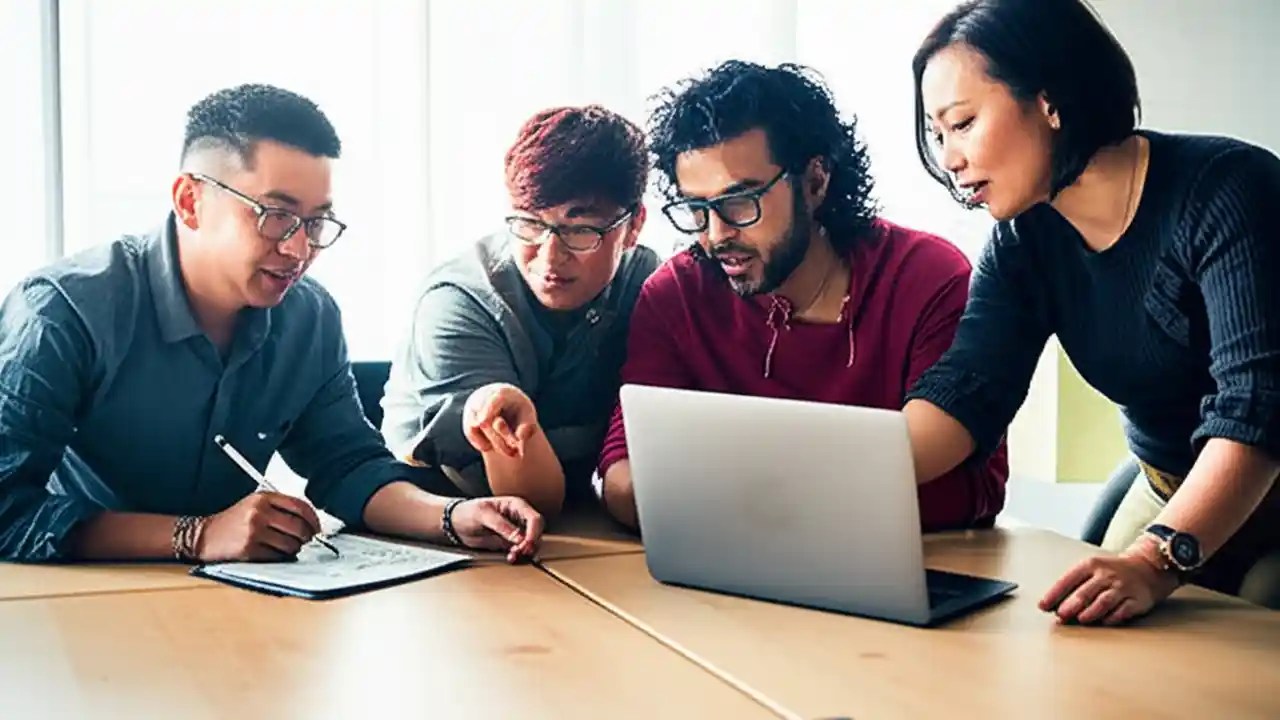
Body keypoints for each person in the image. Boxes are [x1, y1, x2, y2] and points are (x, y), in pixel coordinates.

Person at [0, 84, 543, 564]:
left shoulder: (310, 316)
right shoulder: (63, 310)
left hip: (236, 599)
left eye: (316, 221)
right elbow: (7, 505)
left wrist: (454, 518)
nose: (299, 248)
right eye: (275, 215)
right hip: (79, 597)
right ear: (190, 201)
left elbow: (348, 466)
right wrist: (196, 536)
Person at [909, 0, 1280, 622]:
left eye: (963, 122)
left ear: (1049, 101)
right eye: (937, 133)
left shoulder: (1229, 187)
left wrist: (1155, 560)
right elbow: (968, 391)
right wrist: (843, 477)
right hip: (1168, 483)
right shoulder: (1025, 238)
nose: (949, 158)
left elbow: (1259, 402)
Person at [597, 60, 1009, 531]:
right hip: (726, 569)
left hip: (929, 566)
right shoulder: (676, 295)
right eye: (697, 208)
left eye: (740, 202)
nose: (716, 234)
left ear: (815, 182)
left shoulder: (925, 279)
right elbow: (624, 476)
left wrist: (727, 491)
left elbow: (967, 485)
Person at [381, 105, 658, 518]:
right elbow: (527, 502)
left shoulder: (647, 283)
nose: (550, 256)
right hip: (447, 513)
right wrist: (509, 411)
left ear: (633, 226)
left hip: (581, 518)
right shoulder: (458, 303)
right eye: (529, 223)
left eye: (580, 229)